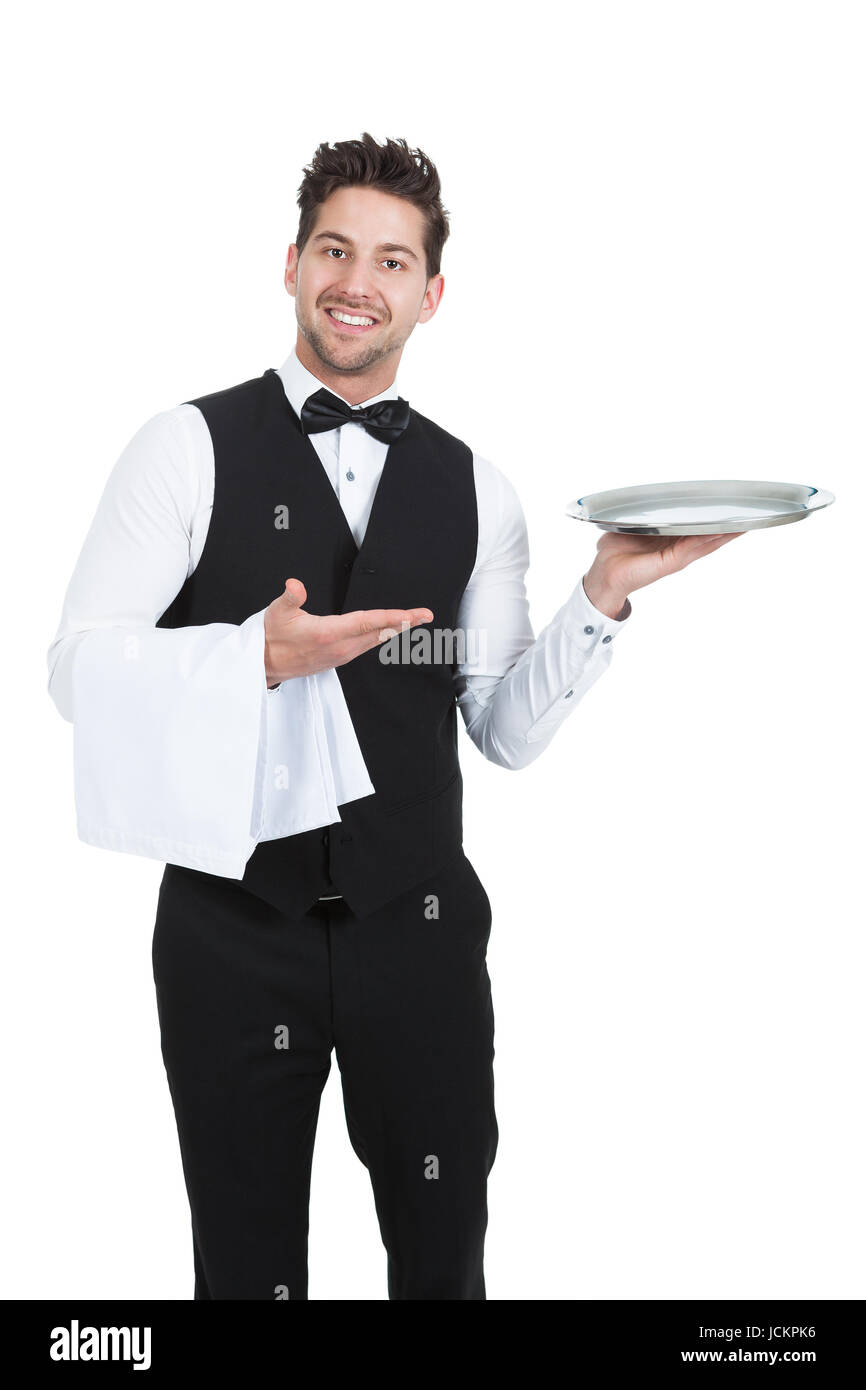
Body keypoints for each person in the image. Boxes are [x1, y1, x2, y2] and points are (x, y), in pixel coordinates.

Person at [46, 132, 743, 1300]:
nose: (354, 283)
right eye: (333, 250)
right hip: (229, 931)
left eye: (388, 260)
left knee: (439, 1260)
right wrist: (245, 660)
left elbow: (504, 728)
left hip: (415, 934)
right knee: (245, 1267)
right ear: (289, 265)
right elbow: (75, 670)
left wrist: (605, 591)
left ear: (430, 292)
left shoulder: (478, 487)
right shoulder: (183, 447)